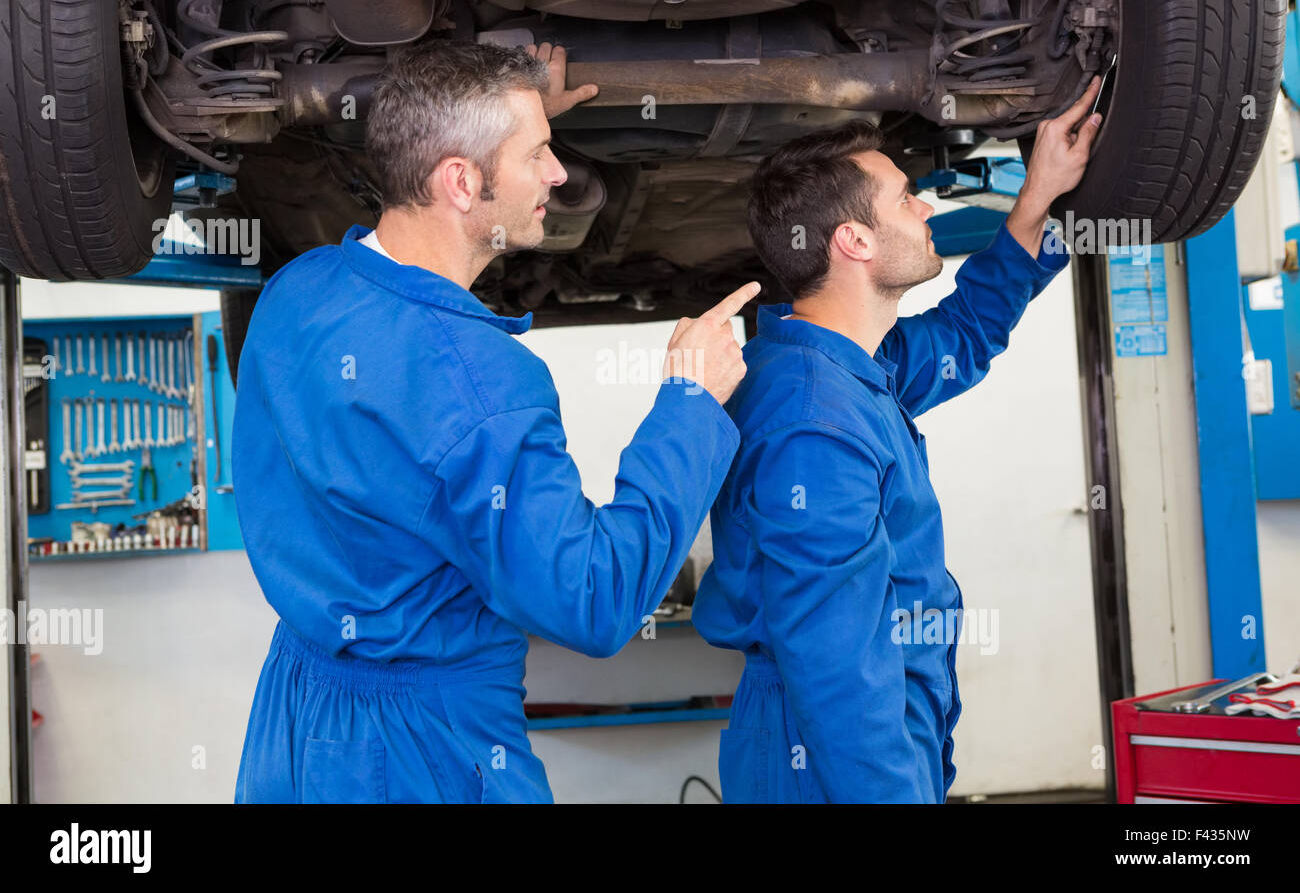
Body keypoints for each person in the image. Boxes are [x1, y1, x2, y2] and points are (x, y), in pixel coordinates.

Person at [232, 39, 759, 803]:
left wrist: (513, 114)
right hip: (422, 752)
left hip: (296, 718)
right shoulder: (479, 383)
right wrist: (690, 403)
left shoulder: (299, 290)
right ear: (460, 180)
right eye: (538, 154)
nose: (558, 173)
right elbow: (593, 599)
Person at [692, 78, 1104, 803]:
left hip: (856, 724)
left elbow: (964, 333)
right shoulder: (814, 421)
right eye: (906, 197)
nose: (925, 207)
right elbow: (838, 668)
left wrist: (1036, 197)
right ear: (854, 241)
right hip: (829, 747)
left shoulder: (844, 366)